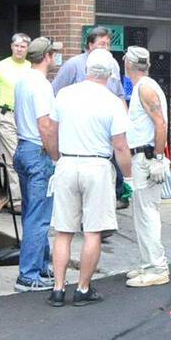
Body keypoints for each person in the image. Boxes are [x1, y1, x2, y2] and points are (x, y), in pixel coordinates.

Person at [42, 48, 132, 307]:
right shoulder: (113, 102)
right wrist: (128, 176)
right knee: (92, 231)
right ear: (111, 74)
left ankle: (58, 288)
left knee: (63, 231)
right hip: (97, 165)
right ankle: (82, 288)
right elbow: (120, 145)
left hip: (67, 162)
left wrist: (57, 157)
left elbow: (51, 130)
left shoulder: (65, 95)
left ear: (87, 69)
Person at [52, 25, 129, 208]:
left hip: (107, 124)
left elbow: (119, 94)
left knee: (109, 169)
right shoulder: (74, 64)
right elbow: (54, 91)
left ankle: (108, 209)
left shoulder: (113, 65)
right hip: (81, 130)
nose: (106, 48)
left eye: (108, 45)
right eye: (101, 44)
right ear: (89, 45)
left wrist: (125, 119)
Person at [10, 37, 57, 292]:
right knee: (39, 217)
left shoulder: (23, 80)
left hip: (23, 148)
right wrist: (55, 156)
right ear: (48, 56)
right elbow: (45, 125)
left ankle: (40, 267)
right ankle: (27, 275)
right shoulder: (41, 85)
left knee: (32, 211)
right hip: (38, 152)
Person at [121, 47, 170, 287]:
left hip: (147, 157)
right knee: (142, 214)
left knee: (147, 214)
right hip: (143, 156)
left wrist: (157, 158)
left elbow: (160, 123)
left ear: (128, 63)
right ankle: (148, 263)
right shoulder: (144, 86)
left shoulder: (146, 88)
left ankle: (157, 267)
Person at [0, 33, 32, 185]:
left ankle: (17, 195)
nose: (19, 49)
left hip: (26, 117)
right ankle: (17, 200)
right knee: (12, 156)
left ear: (27, 49)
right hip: (6, 115)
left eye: (23, 47)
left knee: (24, 156)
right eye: (16, 46)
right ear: (11, 46)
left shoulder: (31, 68)